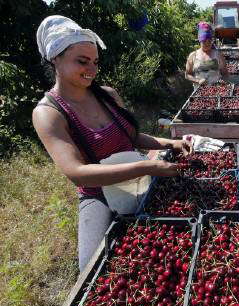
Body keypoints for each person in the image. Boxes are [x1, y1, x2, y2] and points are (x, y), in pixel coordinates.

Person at [34, 15, 191, 272]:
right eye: (82, 62)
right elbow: (78, 174)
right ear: (55, 59)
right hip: (100, 195)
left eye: (95, 62)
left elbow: (129, 138)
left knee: (171, 251)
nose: (92, 70)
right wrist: (147, 168)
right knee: (93, 270)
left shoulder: (106, 95)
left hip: (139, 178)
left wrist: (168, 143)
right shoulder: (49, 113)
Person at [185, 21, 228, 89]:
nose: (207, 43)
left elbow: (225, 73)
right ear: (200, 40)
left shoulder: (218, 55)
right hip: (199, 94)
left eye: (209, 41)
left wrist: (222, 82)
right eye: (204, 41)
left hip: (217, 91)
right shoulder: (193, 56)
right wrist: (198, 80)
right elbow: (187, 75)